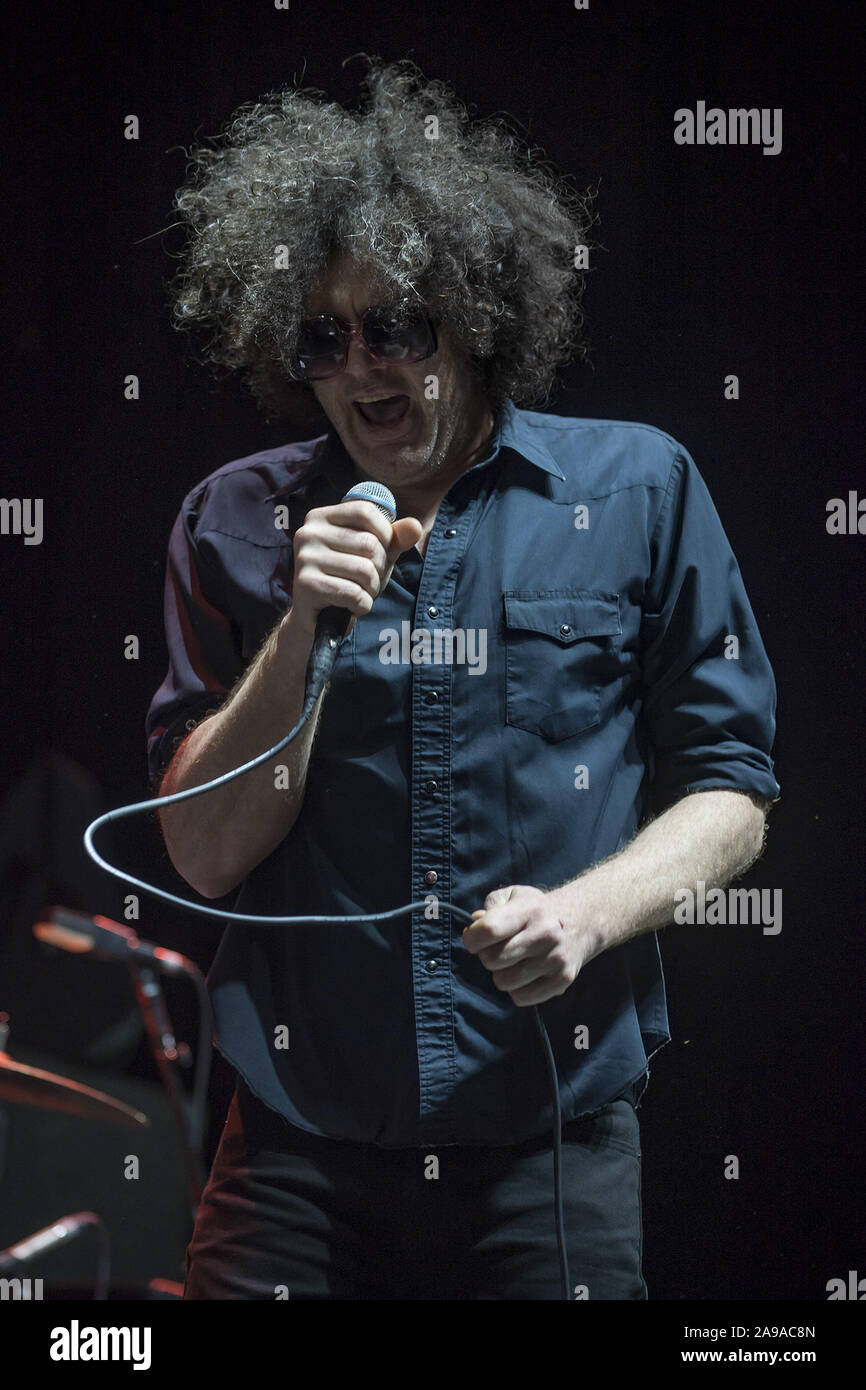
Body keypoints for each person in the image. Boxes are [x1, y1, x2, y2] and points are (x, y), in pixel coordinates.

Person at [146, 58, 779, 1300]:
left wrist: (586, 914)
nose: (359, 365)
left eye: (396, 326)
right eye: (322, 338)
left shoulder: (635, 489)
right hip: (291, 1157)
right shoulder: (235, 520)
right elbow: (204, 854)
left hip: (546, 1150)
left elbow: (732, 789)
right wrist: (299, 630)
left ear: (475, 316)